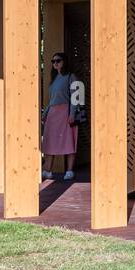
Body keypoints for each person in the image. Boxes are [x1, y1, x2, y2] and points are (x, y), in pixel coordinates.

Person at [41, 53, 79, 181]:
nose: (55, 63)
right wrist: (45, 114)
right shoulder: (54, 78)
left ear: (64, 61)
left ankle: (69, 171)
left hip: (65, 112)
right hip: (53, 114)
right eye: (53, 61)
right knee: (49, 141)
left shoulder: (71, 77)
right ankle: (48, 171)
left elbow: (75, 97)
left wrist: (72, 114)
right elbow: (52, 100)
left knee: (69, 141)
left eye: (58, 60)